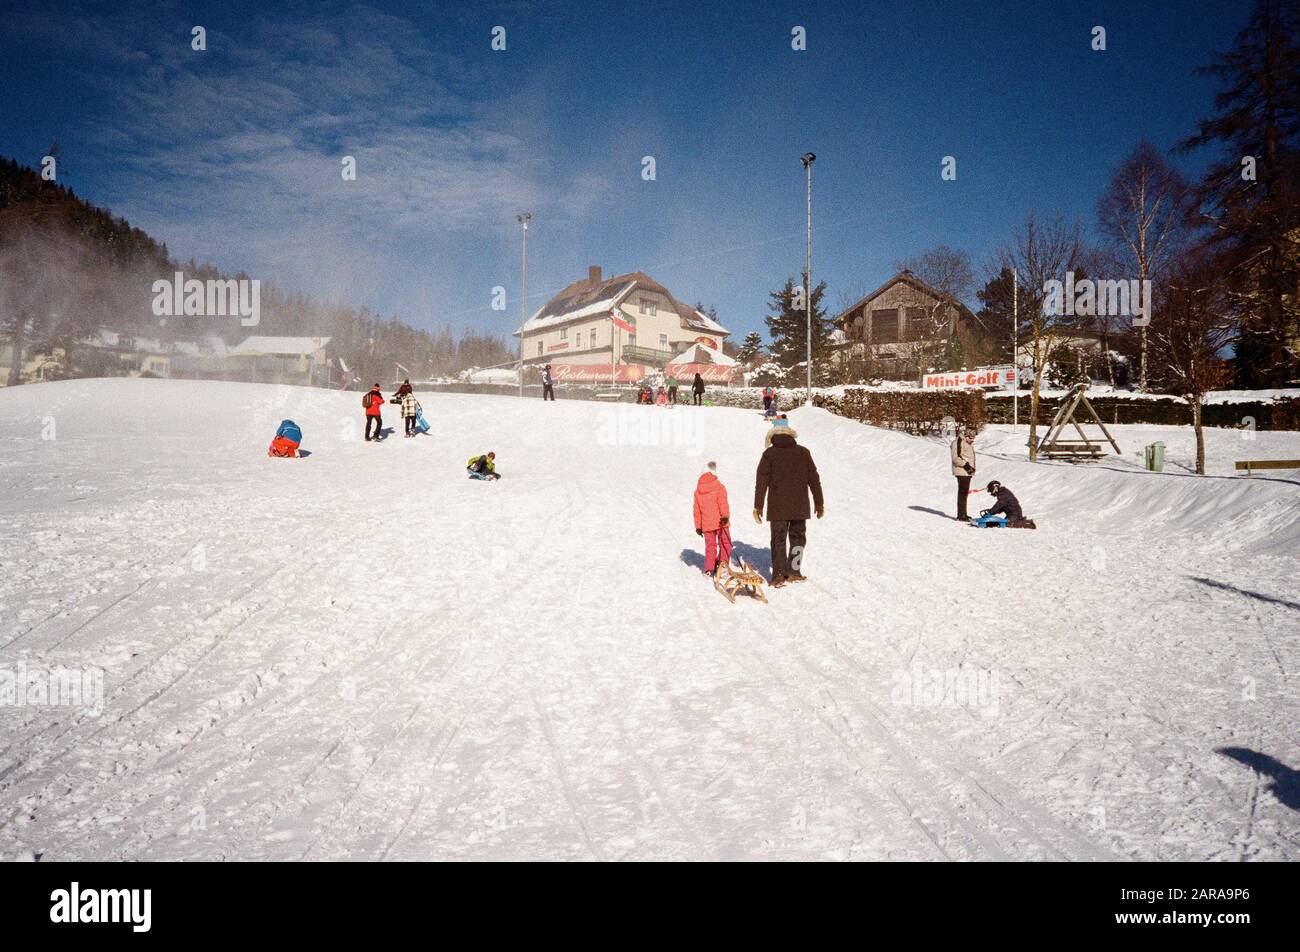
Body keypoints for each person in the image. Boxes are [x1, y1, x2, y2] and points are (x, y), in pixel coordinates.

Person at [753, 424, 823, 586]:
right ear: (792, 436)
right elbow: (814, 479)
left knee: (778, 539)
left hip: (778, 506)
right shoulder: (803, 453)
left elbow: (761, 482)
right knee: (798, 538)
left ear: (772, 438)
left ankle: (778, 574)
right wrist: (819, 502)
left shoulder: (769, 454)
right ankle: (794, 571)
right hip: (800, 505)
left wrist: (758, 506)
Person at [693, 461, 732, 577]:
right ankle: (723, 566)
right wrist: (725, 516)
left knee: (710, 546)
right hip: (721, 522)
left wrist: (698, 526)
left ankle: (709, 568)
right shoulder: (719, 487)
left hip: (706, 525)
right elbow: (723, 503)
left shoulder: (697, 492)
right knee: (725, 543)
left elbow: (697, 511)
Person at [950, 426, 977, 521]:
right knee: (962, 493)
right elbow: (955, 458)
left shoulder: (966, 443)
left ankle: (963, 514)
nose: (972, 440)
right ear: (965, 435)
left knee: (964, 493)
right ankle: (961, 515)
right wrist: (967, 466)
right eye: (970, 437)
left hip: (966, 472)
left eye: (973, 438)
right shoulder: (958, 442)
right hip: (962, 471)